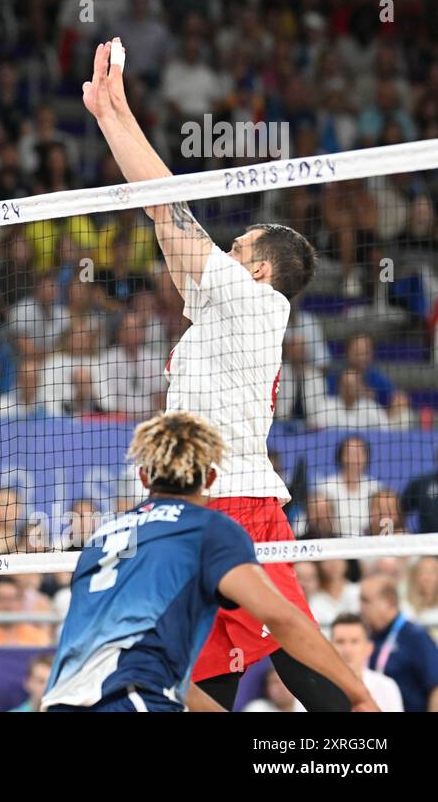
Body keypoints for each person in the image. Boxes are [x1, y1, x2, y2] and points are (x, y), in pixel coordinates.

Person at [83, 38, 345, 711]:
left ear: (257, 269)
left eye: (238, 250)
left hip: (241, 506)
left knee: (294, 650)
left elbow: (171, 207)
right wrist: (108, 114)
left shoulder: (257, 301)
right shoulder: (220, 311)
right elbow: (162, 219)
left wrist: (120, 114)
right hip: (197, 505)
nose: (224, 255)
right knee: (200, 676)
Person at [42, 412, 375, 712]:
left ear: (144, 479)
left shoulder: (102, 539)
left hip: (59, 699)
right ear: (212, 480)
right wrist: (358, 694)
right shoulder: (208, 529)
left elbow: (154, 672)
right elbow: (280, 618)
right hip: (129, 700)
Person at [293, 614, 404, 712]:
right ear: (329, 647)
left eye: (354, 641)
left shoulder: (387, 687)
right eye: (340, 641)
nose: (347, 650)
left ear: (369, 648)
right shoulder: (310, 688)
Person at [359, 574, 438, 712]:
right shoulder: (366, 637)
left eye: (366, 601)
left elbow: (435, 688)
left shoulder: (416, 638)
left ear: (387, 602)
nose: (360, 608)